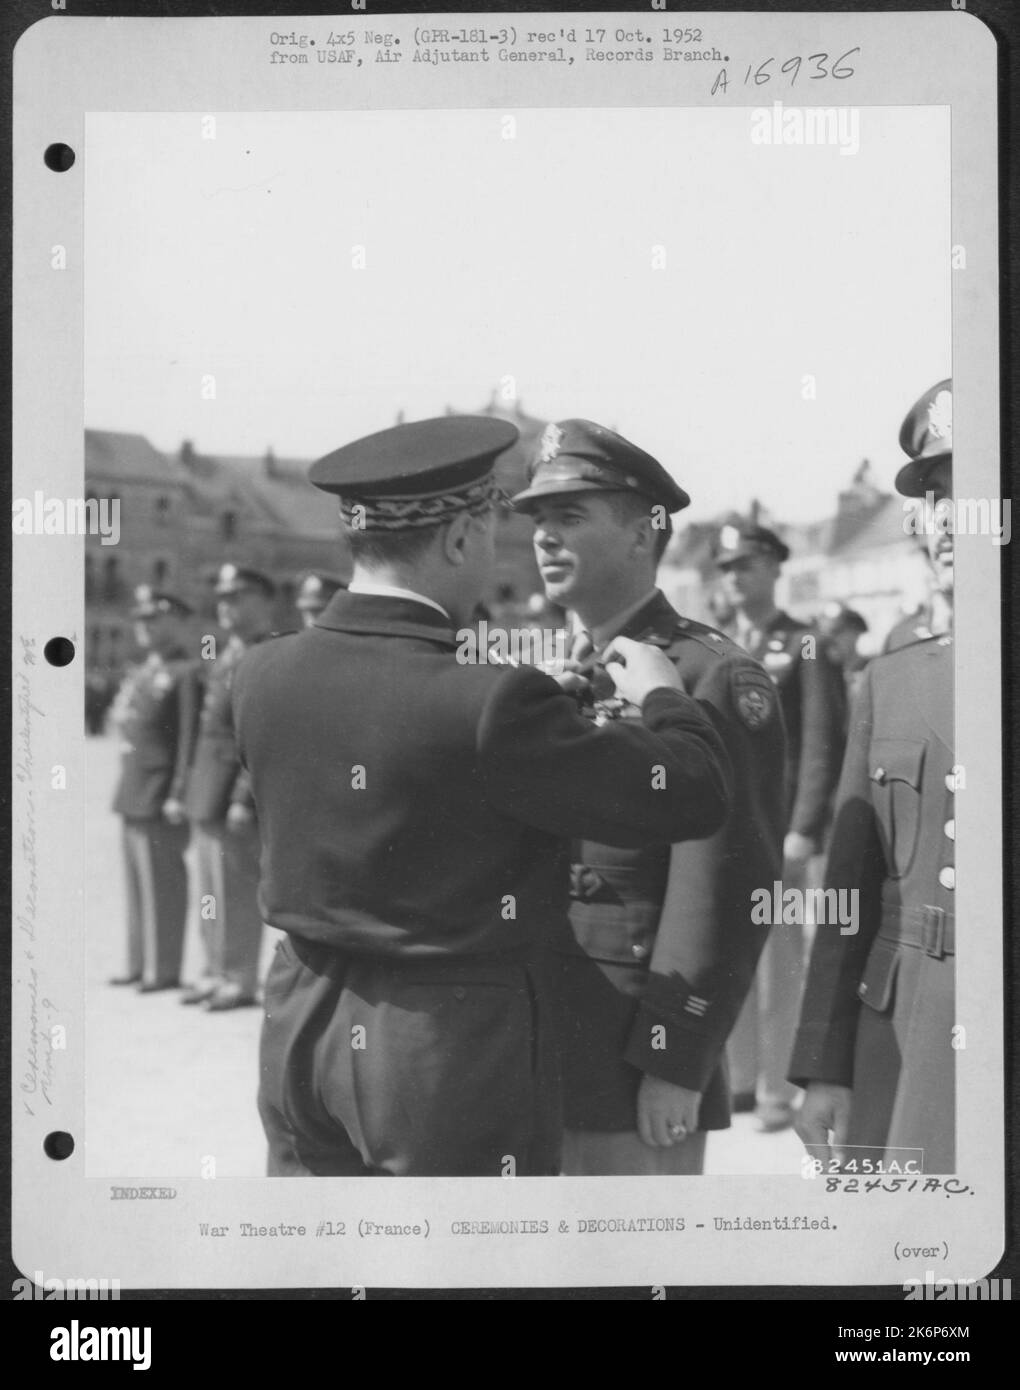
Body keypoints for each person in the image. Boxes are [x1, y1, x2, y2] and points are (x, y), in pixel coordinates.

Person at [231, 415, 734, 1177]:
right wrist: (666, 699)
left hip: (300, 1014)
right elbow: (691, 792)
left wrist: (536, 722)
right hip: (438, 1044)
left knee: (321, 1262)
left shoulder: (261, 674)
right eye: (497, 530)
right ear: (461, 540)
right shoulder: (492, 704)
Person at [513, 419, 786, 1174]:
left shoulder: (709, 676)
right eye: (538, 519)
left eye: (570, 516)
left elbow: (727, 883)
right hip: (529, 1032)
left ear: (642, 534)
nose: (543, 537)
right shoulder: (546, 674)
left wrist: (676, 1060)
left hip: (628, 1049)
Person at [790, 379, 956, 1173]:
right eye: (937, 494)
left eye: (979, 489)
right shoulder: (888, 678)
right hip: (905, 1037)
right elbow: (849, 893)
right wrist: (824, 1065)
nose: (952, 516)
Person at [715, 521, 846, 1130]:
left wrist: (804, 826)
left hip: (780, 830)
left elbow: (821, 741)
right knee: (728, 954)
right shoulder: (719, 643)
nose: (734, 578)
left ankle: (775, 1089)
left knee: (779, 959)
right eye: (725, 568)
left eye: (744, 565)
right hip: (726, 830)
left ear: (773, 568)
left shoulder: (806, 644)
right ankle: (738, 1081)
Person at [181, 563, 276, 1011]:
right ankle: (213, 968)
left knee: (234, 892)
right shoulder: (225, 653)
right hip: (207, 791)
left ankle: (238, 977)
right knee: (209, 894)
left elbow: (261, 736)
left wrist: (244, 796)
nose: (225, 605)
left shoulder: (266, 655)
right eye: (222, 597)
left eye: (237, 597)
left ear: (264, 602)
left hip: (234, 798)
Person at [109, 587, 201, 991]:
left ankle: (162, 969)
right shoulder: (143, 670)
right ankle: (138, 962)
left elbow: (187, 741)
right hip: (133, 789)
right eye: (140, 620)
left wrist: (178, 792)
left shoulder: (185, 672)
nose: (144, 627)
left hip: (160, 794)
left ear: (178, 623)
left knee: (161, 885)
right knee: (135, 885)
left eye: (154, 620)